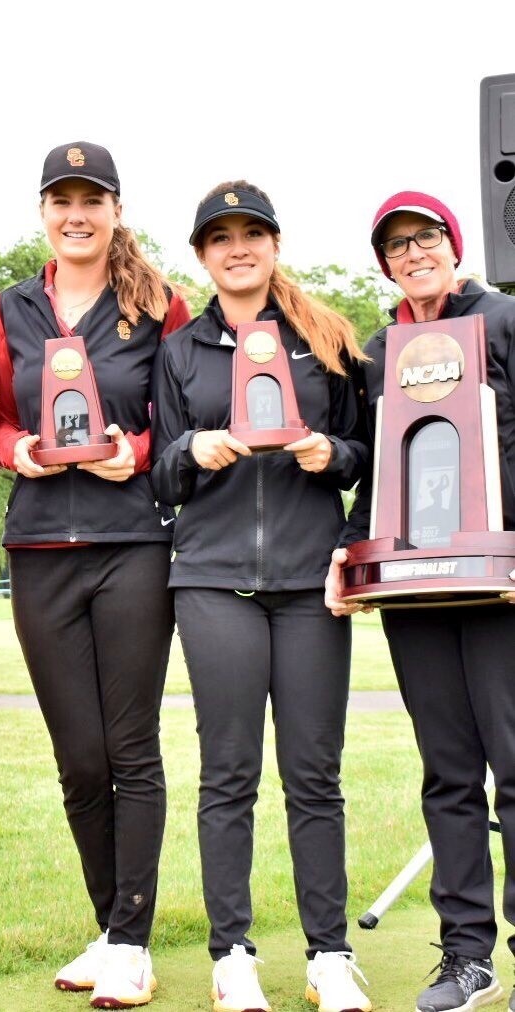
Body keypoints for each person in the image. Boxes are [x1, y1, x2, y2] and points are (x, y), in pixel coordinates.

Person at [151, 181, 371, 1012]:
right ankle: (233, 953)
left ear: (275, 245)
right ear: (203, 256)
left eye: (253, 234)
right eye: (221, 238)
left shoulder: (323, 340)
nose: (237, 249)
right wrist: (195, 448)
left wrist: (330, 456)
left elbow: (363, 452)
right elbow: (159, 471)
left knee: (315, 775)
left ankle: (329, 954)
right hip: (212, 581)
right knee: (229, 773)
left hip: (311, 579)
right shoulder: (183, 350)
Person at [0, 141, 188, 1008]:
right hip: (39, 552)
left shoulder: (159, 306)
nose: (77, 214)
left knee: (129, 746)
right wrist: (16, 450)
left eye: (92, 200)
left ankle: (133, 941)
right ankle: (112, 927)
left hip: (132, 545)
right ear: (43, 212)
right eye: (61, 200)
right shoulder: (10, 309)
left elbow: (180, 425)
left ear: (115, 210)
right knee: (78, 758)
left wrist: (132, 452)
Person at [326, 192, 515, 1012]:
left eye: (425, 237)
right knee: (447, 773)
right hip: (418, 591)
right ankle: (467, 957)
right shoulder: (384, 348)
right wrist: (352, 548)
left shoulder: (503, 321)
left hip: (504, 579)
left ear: (453, 243)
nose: (413, 253)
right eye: (396, 246)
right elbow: (381, 467)